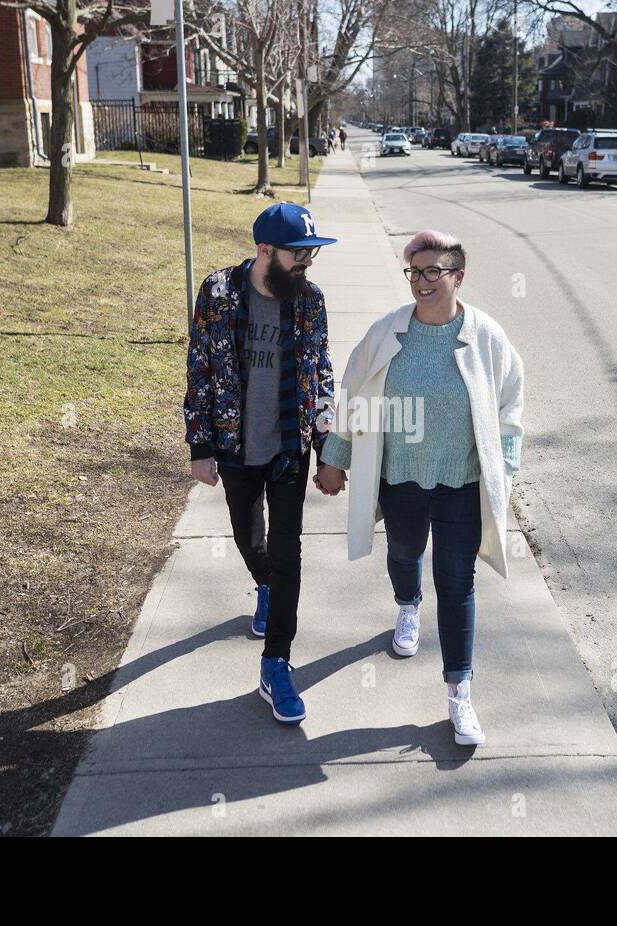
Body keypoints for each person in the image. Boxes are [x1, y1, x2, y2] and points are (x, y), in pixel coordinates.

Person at [315, 230, 524, 746]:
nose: (423, 281)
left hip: (462, 481)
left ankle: (459, 693)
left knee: (457, 583)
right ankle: (407, 605)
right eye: (415, 271)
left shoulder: (487, 338)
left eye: (434, 271)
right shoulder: (387, 334)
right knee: (405, 552)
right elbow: (355, 394)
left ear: (458, 275)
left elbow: (509, 409)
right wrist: (335, 458)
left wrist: (507, 473)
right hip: (401, 475)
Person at [184, 202, 338, 725]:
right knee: (252, 540)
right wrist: (200, 446)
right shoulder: (219, 293)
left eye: (312, 254)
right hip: (233, 447)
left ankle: (276, 662)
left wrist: (328, 451)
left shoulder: (309, 302)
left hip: (288, 447)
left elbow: (322, 376)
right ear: (265, 251)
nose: (308, 264)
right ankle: (264, 586)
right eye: (300, 255)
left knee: (288, 550)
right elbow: (199, 368)